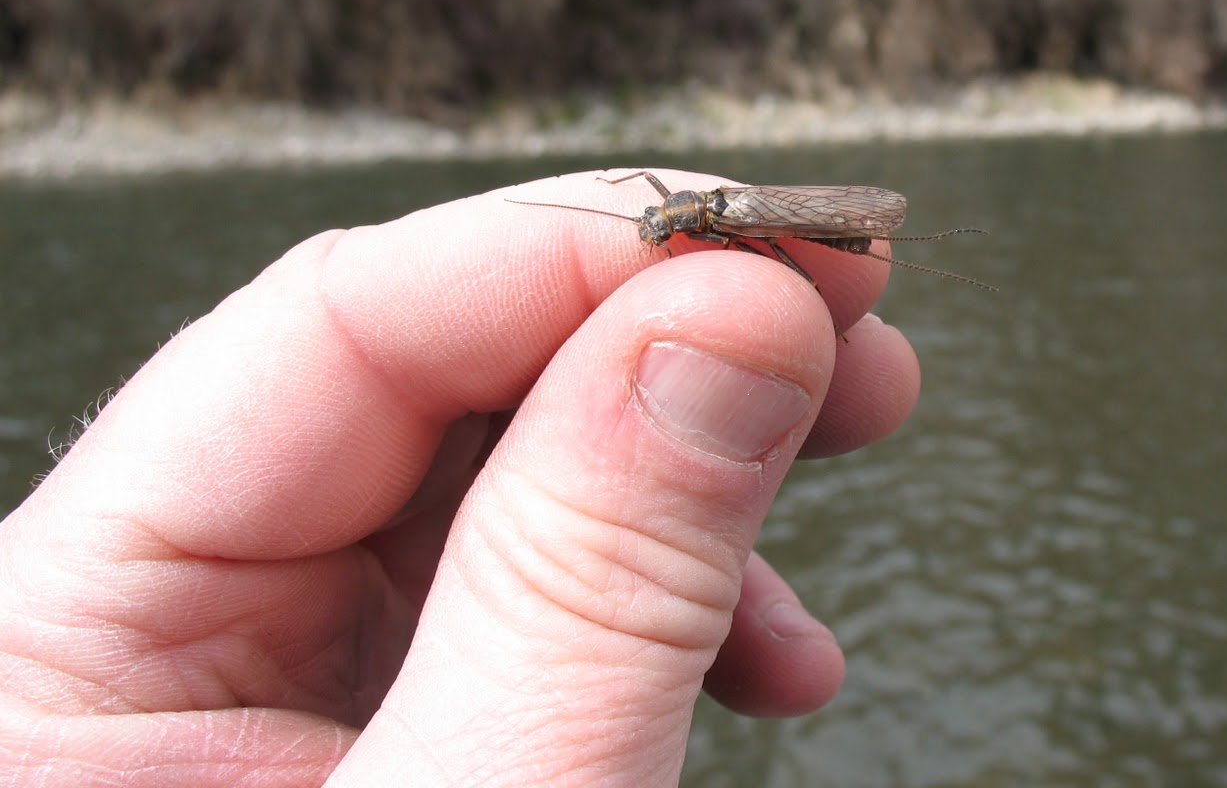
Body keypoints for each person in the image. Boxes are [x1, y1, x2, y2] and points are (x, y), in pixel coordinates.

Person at [0, 169, 921, 786]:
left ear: (679, 220)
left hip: (781, 223)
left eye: (659, 223)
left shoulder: (717, 224)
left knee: (760, 282)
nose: (654, 229)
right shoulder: (692, 226)